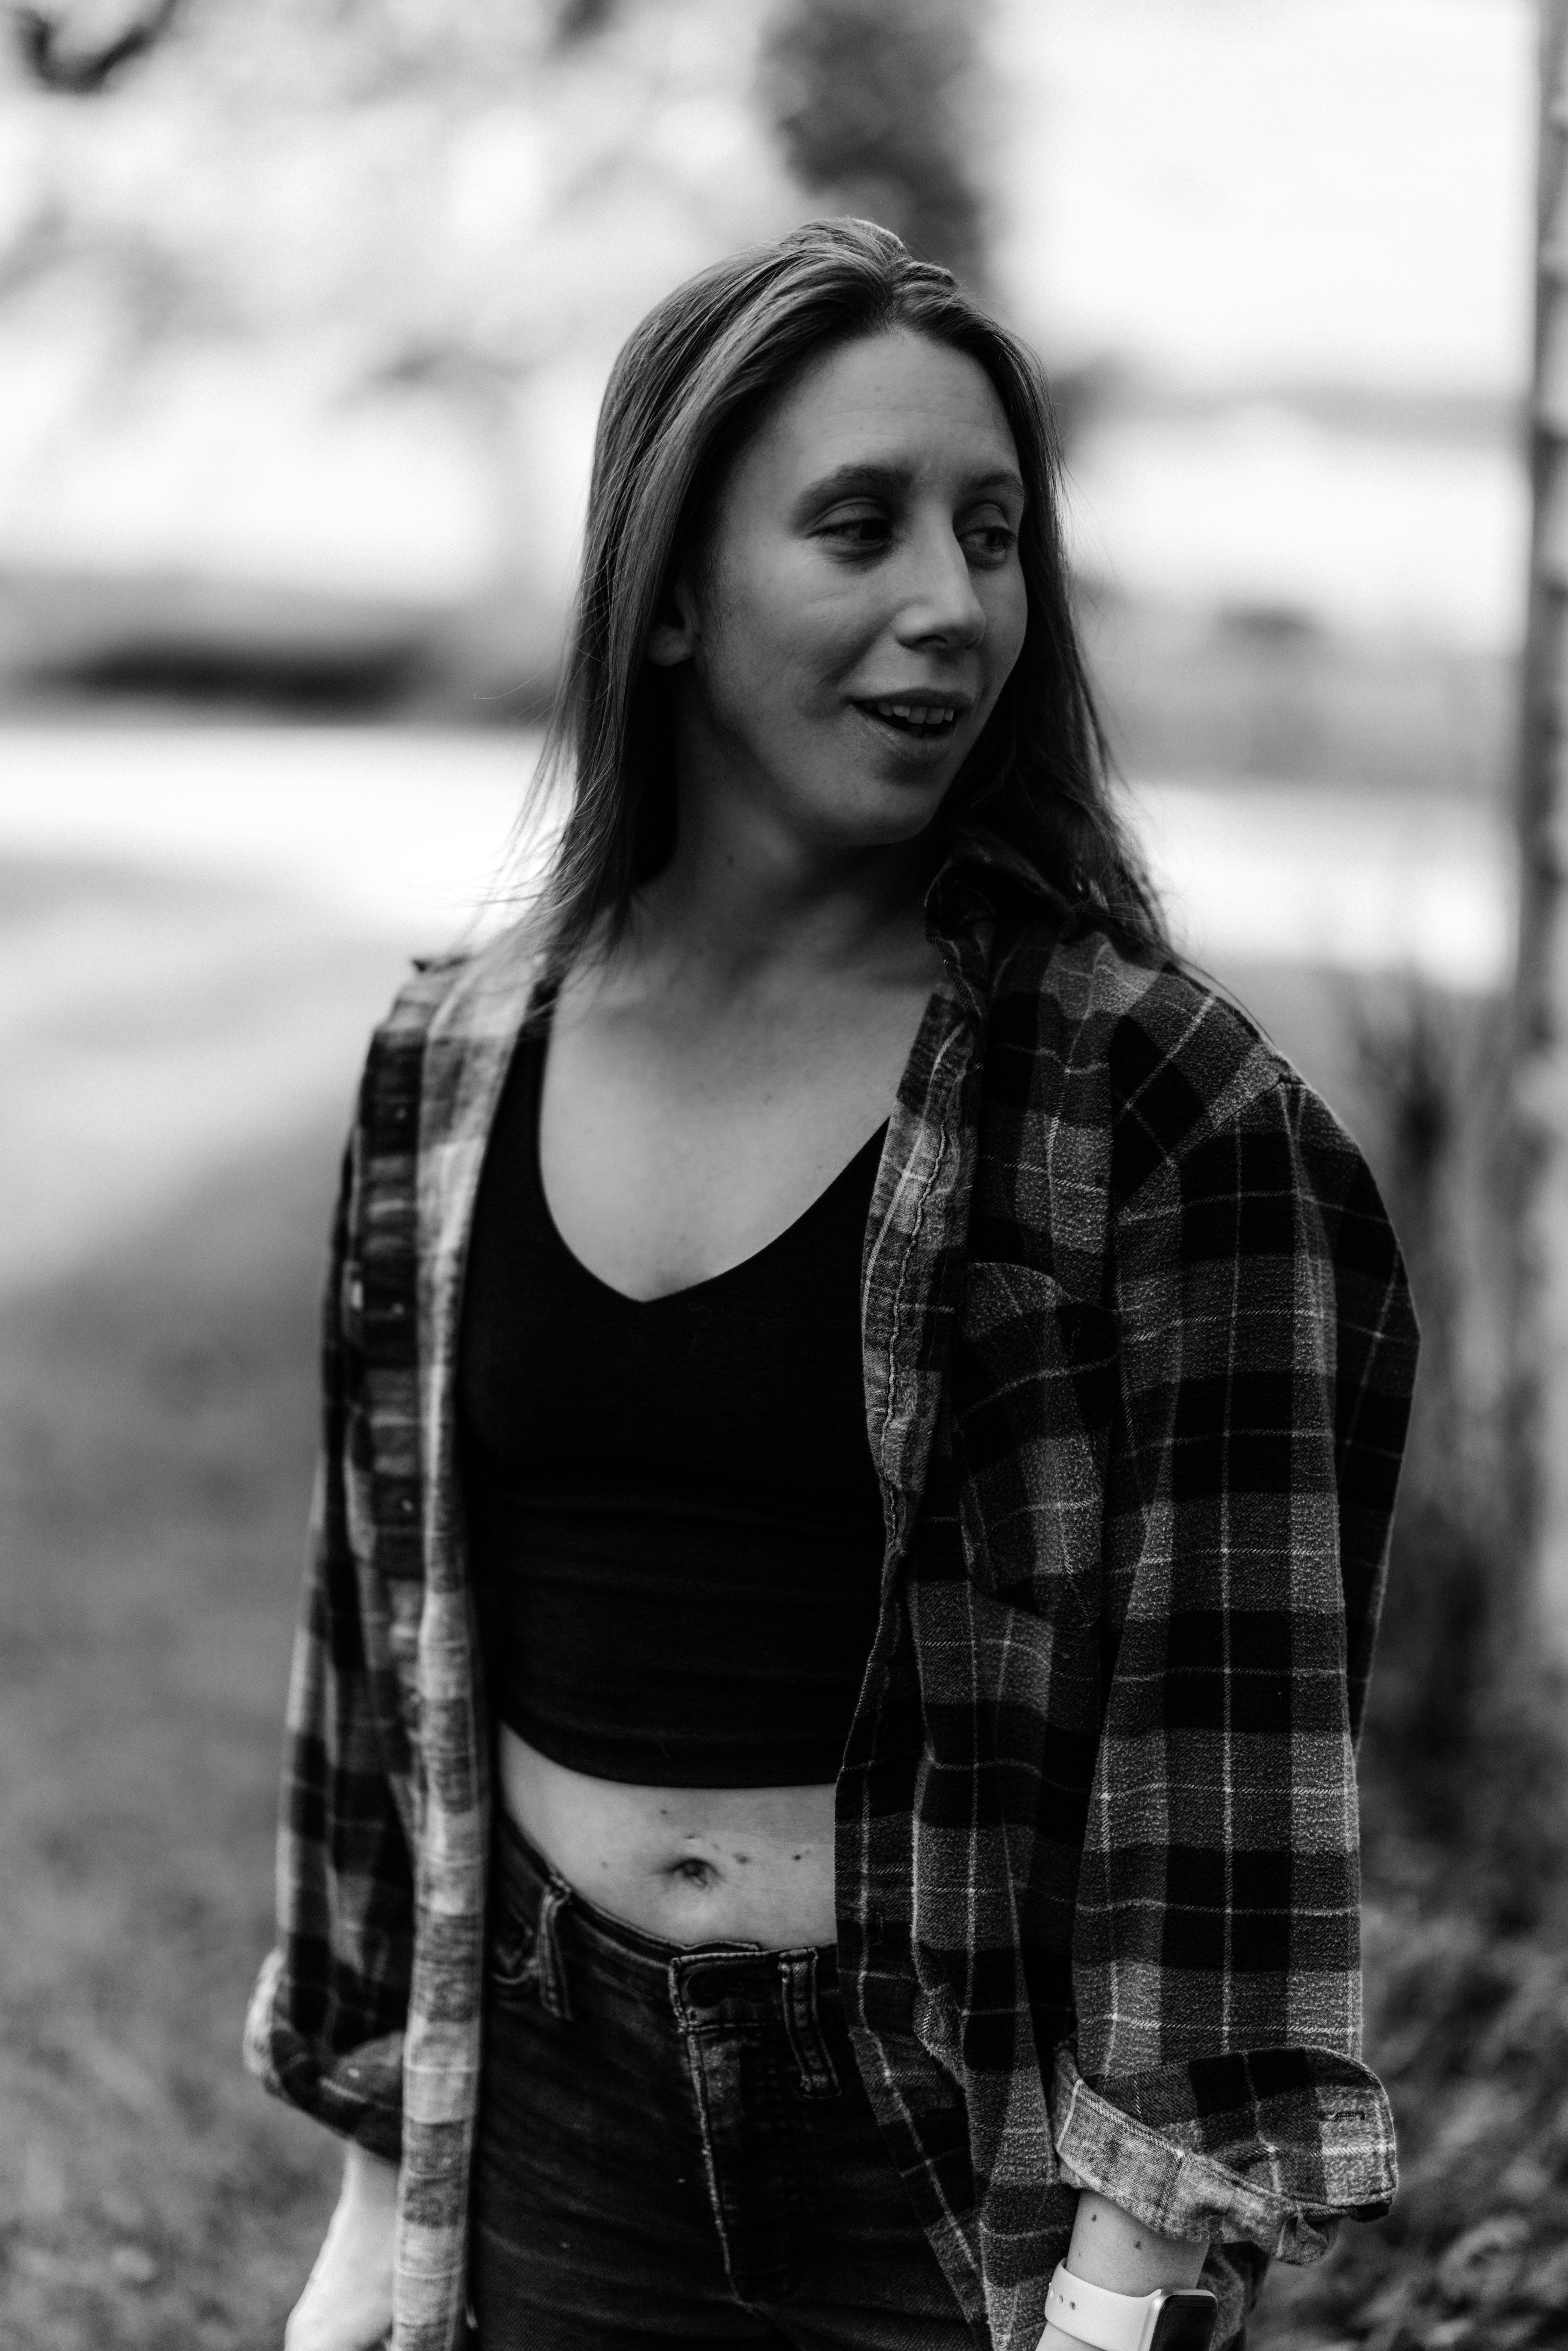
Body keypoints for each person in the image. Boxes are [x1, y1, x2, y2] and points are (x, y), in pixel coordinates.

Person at [245, 219, 1418, 2351]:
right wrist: (373, 2211)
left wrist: (1119, 2307)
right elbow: (380, 1660)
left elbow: (1226, 1785)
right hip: (546, 2108)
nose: (951, 606)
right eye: (857, 526)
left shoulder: (1160, 1114)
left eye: (992, 533)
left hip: (946, 2165)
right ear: (668, 591)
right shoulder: (450, 1066)